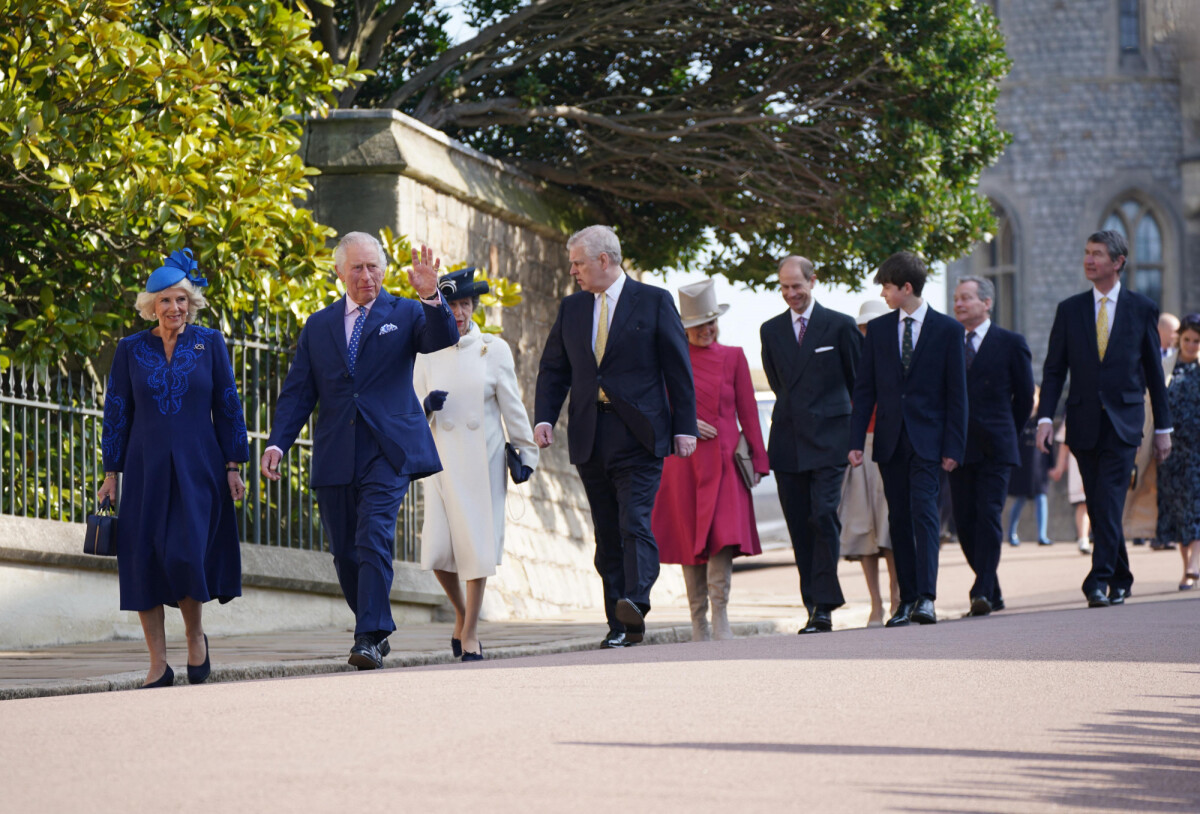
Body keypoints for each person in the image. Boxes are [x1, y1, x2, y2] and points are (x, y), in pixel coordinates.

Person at [260, 233, 458, 669]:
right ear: (339, 272)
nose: (367, 276)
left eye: (374, 267)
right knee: (345, 551)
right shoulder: (318, 325)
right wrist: (277, 442)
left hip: (389, 449)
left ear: (384, 270)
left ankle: (367, 635)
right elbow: (298, 392)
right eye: (357, 268)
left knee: (373, 537)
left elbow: (441, 337)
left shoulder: (405, 312)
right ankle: (374, 622)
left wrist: (431, 295)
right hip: (336, 450)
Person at [534, 225, 697, 649]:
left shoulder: (654, 301)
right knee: (606, 533)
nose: (573, 271)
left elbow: (678, 369)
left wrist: (684, 427)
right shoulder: (572, 309)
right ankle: (619, 624)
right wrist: (544, 418)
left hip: (640, 435)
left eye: (578, 262)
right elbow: (554, 369)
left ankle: (636, 601)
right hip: (591, 434)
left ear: (604, 260)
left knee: (634, 522)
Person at [97, 248, 249, 688]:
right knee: (142, 559)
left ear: (191, 303)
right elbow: (117, 412)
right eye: (166, 301)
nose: (175, 308)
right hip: (144, 469)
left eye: (182, 299)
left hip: (198, 467)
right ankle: (158, 664)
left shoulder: (209, 343)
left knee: (185, 553)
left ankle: (194, 635)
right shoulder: (130, 349)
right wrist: (111, 473)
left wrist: (233, 464)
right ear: (151, 306)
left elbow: (228, 405)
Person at [1036, 230, 1172, 609]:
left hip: (1125, 423)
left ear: (1118, 262)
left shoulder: (1142, 308)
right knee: (1099, 503)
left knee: (1109, 497)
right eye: (1086, 253)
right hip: (1081, 422)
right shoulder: (1069, 310)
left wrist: (1163, 427)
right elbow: (1053, 370)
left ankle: (1097, 580)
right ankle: (1122, 576)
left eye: (1097, 254)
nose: (1088, 260)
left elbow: (1153, 372)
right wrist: (1046, 417)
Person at [414, 267, 539, 661]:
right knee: (437, 551)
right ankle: (462, 612)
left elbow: (513, 407)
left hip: (481, 460)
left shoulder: (493, 349)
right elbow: (409, 405)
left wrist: (526, 451)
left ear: (474, 307)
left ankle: (469, 632)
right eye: (451, 305)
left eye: (465, 304)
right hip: (440, 460)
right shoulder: (425, 350)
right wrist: (426, 407)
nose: (459, 312)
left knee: (476, 546)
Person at [849, 251, 967, 627]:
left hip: (930, 442)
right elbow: (865, 389)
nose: (883, 294)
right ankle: (906, 600)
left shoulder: (948, 330)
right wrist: (854, 440)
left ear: (906, 287)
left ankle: (927, 599)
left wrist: (953, 446)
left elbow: (957, 393)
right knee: (898, 519)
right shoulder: (880, 330)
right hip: (889, 440)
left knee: (925, 516)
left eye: (886, 286)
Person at [651, 280, 768, 642]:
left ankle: (721, 616)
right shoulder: (670, 358)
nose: (707, 330)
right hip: (684, 461)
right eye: (699, 324)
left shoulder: (734, 356)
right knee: (689, 538)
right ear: (683, 328)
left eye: (711, 322)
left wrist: (760, 460)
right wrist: (681, 422)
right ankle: (697, 621)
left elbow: (749, 411)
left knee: (723, 537)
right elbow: (657, 405)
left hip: (726, 460)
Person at [760, 256, 861, 634]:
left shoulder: (840, 326)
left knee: (822, 515)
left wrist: (855, 441)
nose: (791, 294)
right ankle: (813, 605)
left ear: (813, 282)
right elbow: (777, 384)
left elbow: (858, 386)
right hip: (788, 441)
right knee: (799, 526)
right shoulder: (770, 331)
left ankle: (824, 604)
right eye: (784, 288)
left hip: (830, 441)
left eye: (796, 286)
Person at [947, 276, 1034, 617]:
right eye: (956, 298)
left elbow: (1025, 397)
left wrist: (1007, 431)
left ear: (986, 303)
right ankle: (992, 589)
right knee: (964, 522)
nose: (958, 304)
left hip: (997, 445)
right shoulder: (949, 342)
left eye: (966, 298)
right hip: (958, 447)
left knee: (987, 514)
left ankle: (981, 589)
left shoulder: (1011, 342)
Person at [838, 299, 899, 627]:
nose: (867, 332)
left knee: (890, 526)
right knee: (863, 529)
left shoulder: (898, 355)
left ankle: (896, 597)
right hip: (858, 446)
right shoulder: (851, 358)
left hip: (889, 443)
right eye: (863, 327)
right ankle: (875, 603)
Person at [1125, 312, 1180, 550]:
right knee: (1136, 479)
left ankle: (1161, 532)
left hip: (1173, 429)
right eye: (1175, 331)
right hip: (1145, 426)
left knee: (1166, 482)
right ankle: (1126, 528)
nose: (1177, 337)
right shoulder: (1141, 355)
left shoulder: (1180, 358)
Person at [1156, 313, 1200, 589]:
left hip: (1198, 451)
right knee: (1178, 510)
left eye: (1197, 341)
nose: (1192, 345)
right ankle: (1187, 568)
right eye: (1187, 340)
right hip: (1171, 453)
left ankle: (1195, 564)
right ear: (1179, 339)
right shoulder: (1165, 367)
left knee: (1197, 506)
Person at [1007, 388, 1054, 548]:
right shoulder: (1019, 419)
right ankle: (1011, 533)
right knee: (1020, 500)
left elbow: (1050, 445)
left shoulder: (1042, 422)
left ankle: (1042, 535)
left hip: (1039, 468)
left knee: (1042, 499)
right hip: (1022, 468)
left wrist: (1052, 465)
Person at [1048, 420, 1092, 554]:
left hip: (1102, 464)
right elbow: (1064, 443)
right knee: (1083, 504)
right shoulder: (1074, 411)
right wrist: (1059, 468)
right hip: (1080, 466)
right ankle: (1083, 538)